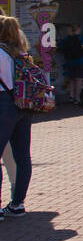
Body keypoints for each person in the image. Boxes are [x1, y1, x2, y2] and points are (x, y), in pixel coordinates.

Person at [0, 16, 34, 219]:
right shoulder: (21, 53)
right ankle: (17, 203)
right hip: (22, 105)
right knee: (22, 157)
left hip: (2, 104)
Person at [60, 22, 83, 103]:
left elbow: (61, 47)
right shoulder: (81, 38)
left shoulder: (66, 38)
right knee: (79, 80)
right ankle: (77, 98)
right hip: (80, 61)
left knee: (71, 80)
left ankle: (71, 96)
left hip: (69, 62)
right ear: (78, 29)